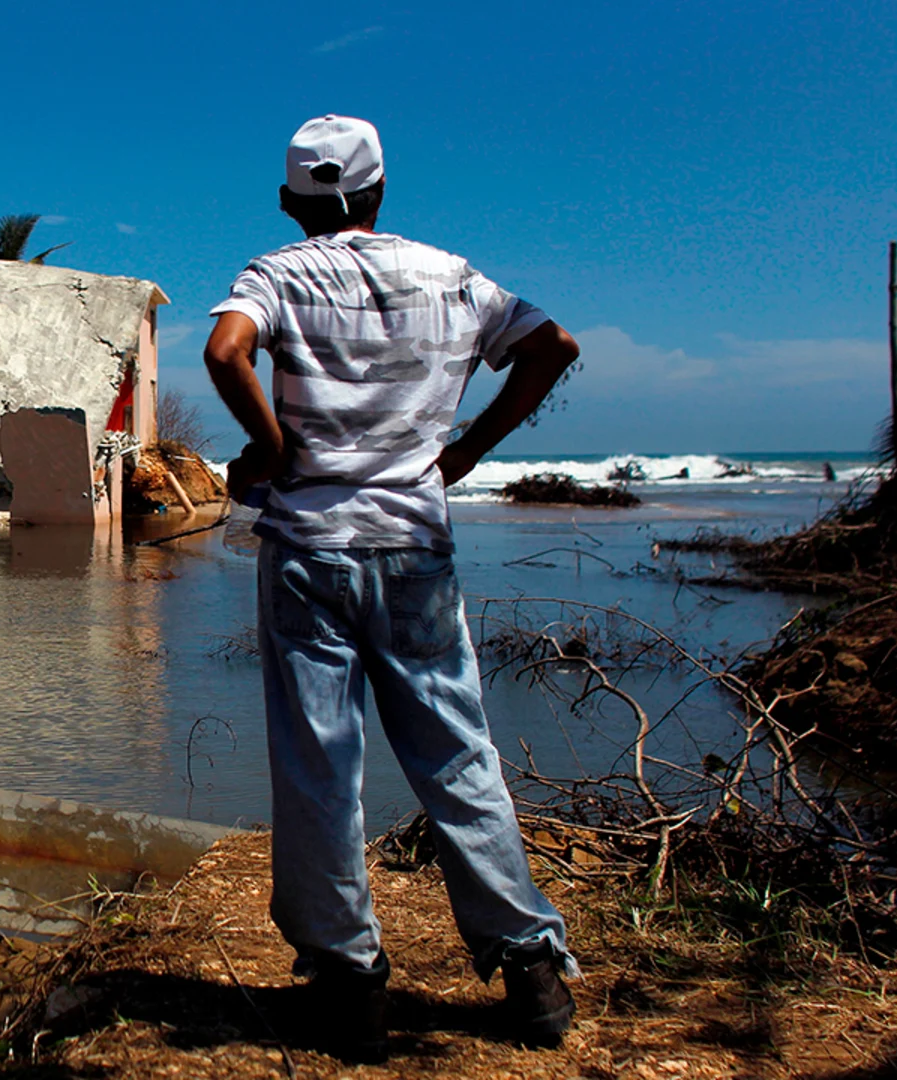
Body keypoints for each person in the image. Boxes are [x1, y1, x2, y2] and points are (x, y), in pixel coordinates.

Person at [202, 115, 582, 1063]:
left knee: (320, 767)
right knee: (457, 752)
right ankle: (529, 967)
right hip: (413, 548)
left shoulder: (275, 275)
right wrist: (462, 454)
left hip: (309, 549)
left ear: (293, 203)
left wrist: (275, 449)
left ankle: (348, 983)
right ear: (378, 195)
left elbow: (224, 353)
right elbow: (553, 345)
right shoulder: (452, 276)